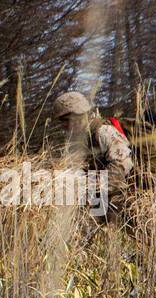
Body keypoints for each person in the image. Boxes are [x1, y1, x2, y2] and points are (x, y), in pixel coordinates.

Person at [53, 90, 133, 221]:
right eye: (62, 121)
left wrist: (98, 188)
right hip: (100, 198)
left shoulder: (103, 131)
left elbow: (123, 162)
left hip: (124, 195)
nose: (64, 126)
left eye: (66, 120)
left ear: (78, 114)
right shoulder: (78, 140)